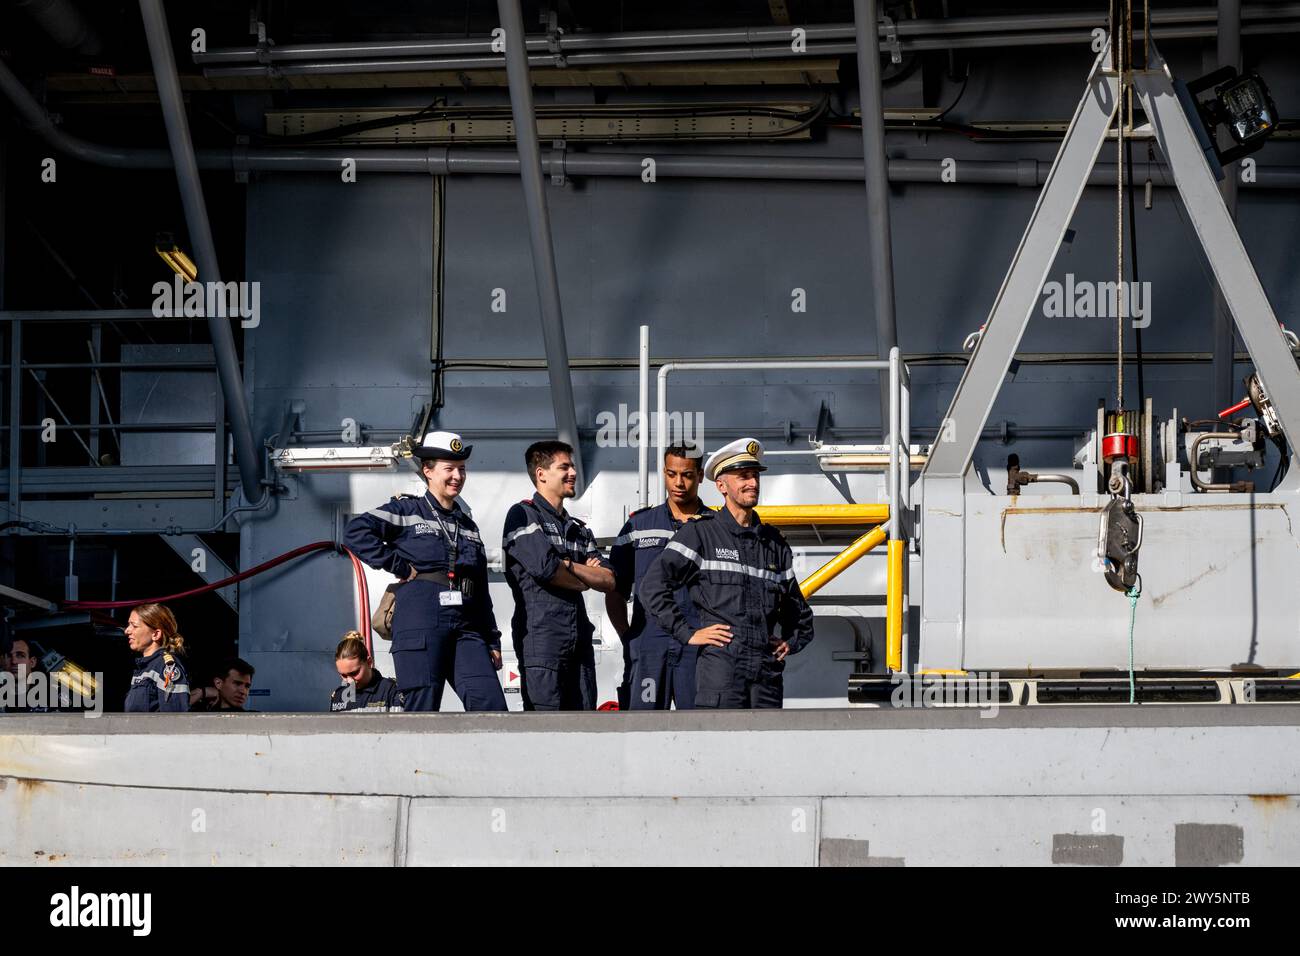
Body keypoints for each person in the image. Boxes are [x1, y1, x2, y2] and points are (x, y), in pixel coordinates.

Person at [640, 438, 815, 709]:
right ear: (722, 485)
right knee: (719, 748)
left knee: (766, 749)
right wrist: (687, 633)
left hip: (766, 675)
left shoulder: (774, 545)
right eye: (743, 476)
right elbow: (652, 586)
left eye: (755, 476)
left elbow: (798, 612)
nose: (753, 483)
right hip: (721, 671)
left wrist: (790, 642)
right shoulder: (699, 533)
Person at [345, 430, 507, 712]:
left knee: (491, 706)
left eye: (462, 469)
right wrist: (397, 565)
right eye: (449, 469)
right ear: (428, 471)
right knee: (421, 711)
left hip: (466, 625)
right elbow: (356, 532)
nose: (457, 476)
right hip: (419, 621)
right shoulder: (407, 510)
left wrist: (492, 638)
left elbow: (480, 588)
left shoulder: (468, 526)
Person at [502, 440, 615, 711]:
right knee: (545, 723)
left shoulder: (578, 529)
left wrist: (571, 567)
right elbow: (546, 568)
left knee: (585, 718)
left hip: (579, 639)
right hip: (541, 636)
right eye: (564, 467)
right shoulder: (522, 515)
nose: (573, 472)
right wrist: (585, 579)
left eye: (572, 466)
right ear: (541, 474)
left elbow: (609, 580)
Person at [607, 444, 713, 710]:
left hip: (698, 644)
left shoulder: (716, 526)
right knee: (644, 729)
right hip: (649, 644)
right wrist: (628, 637)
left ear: (700, 476)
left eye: (687, 475)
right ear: (664, 473)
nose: (679, 483)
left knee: (701, 727)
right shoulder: (638, 525)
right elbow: (615, 588)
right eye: (671, 474)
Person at [123, 603, 191, 712]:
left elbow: (175, 720)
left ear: (156, 634)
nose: (127, 631)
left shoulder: (166, 667)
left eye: (134, 626)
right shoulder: (145, 667)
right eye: (128, 625)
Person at [329, 633, 404, 712]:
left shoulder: (390, 691)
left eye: (354, 673)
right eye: (343, 675)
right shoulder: (338, 696)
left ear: (369, 662)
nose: (349, 681)